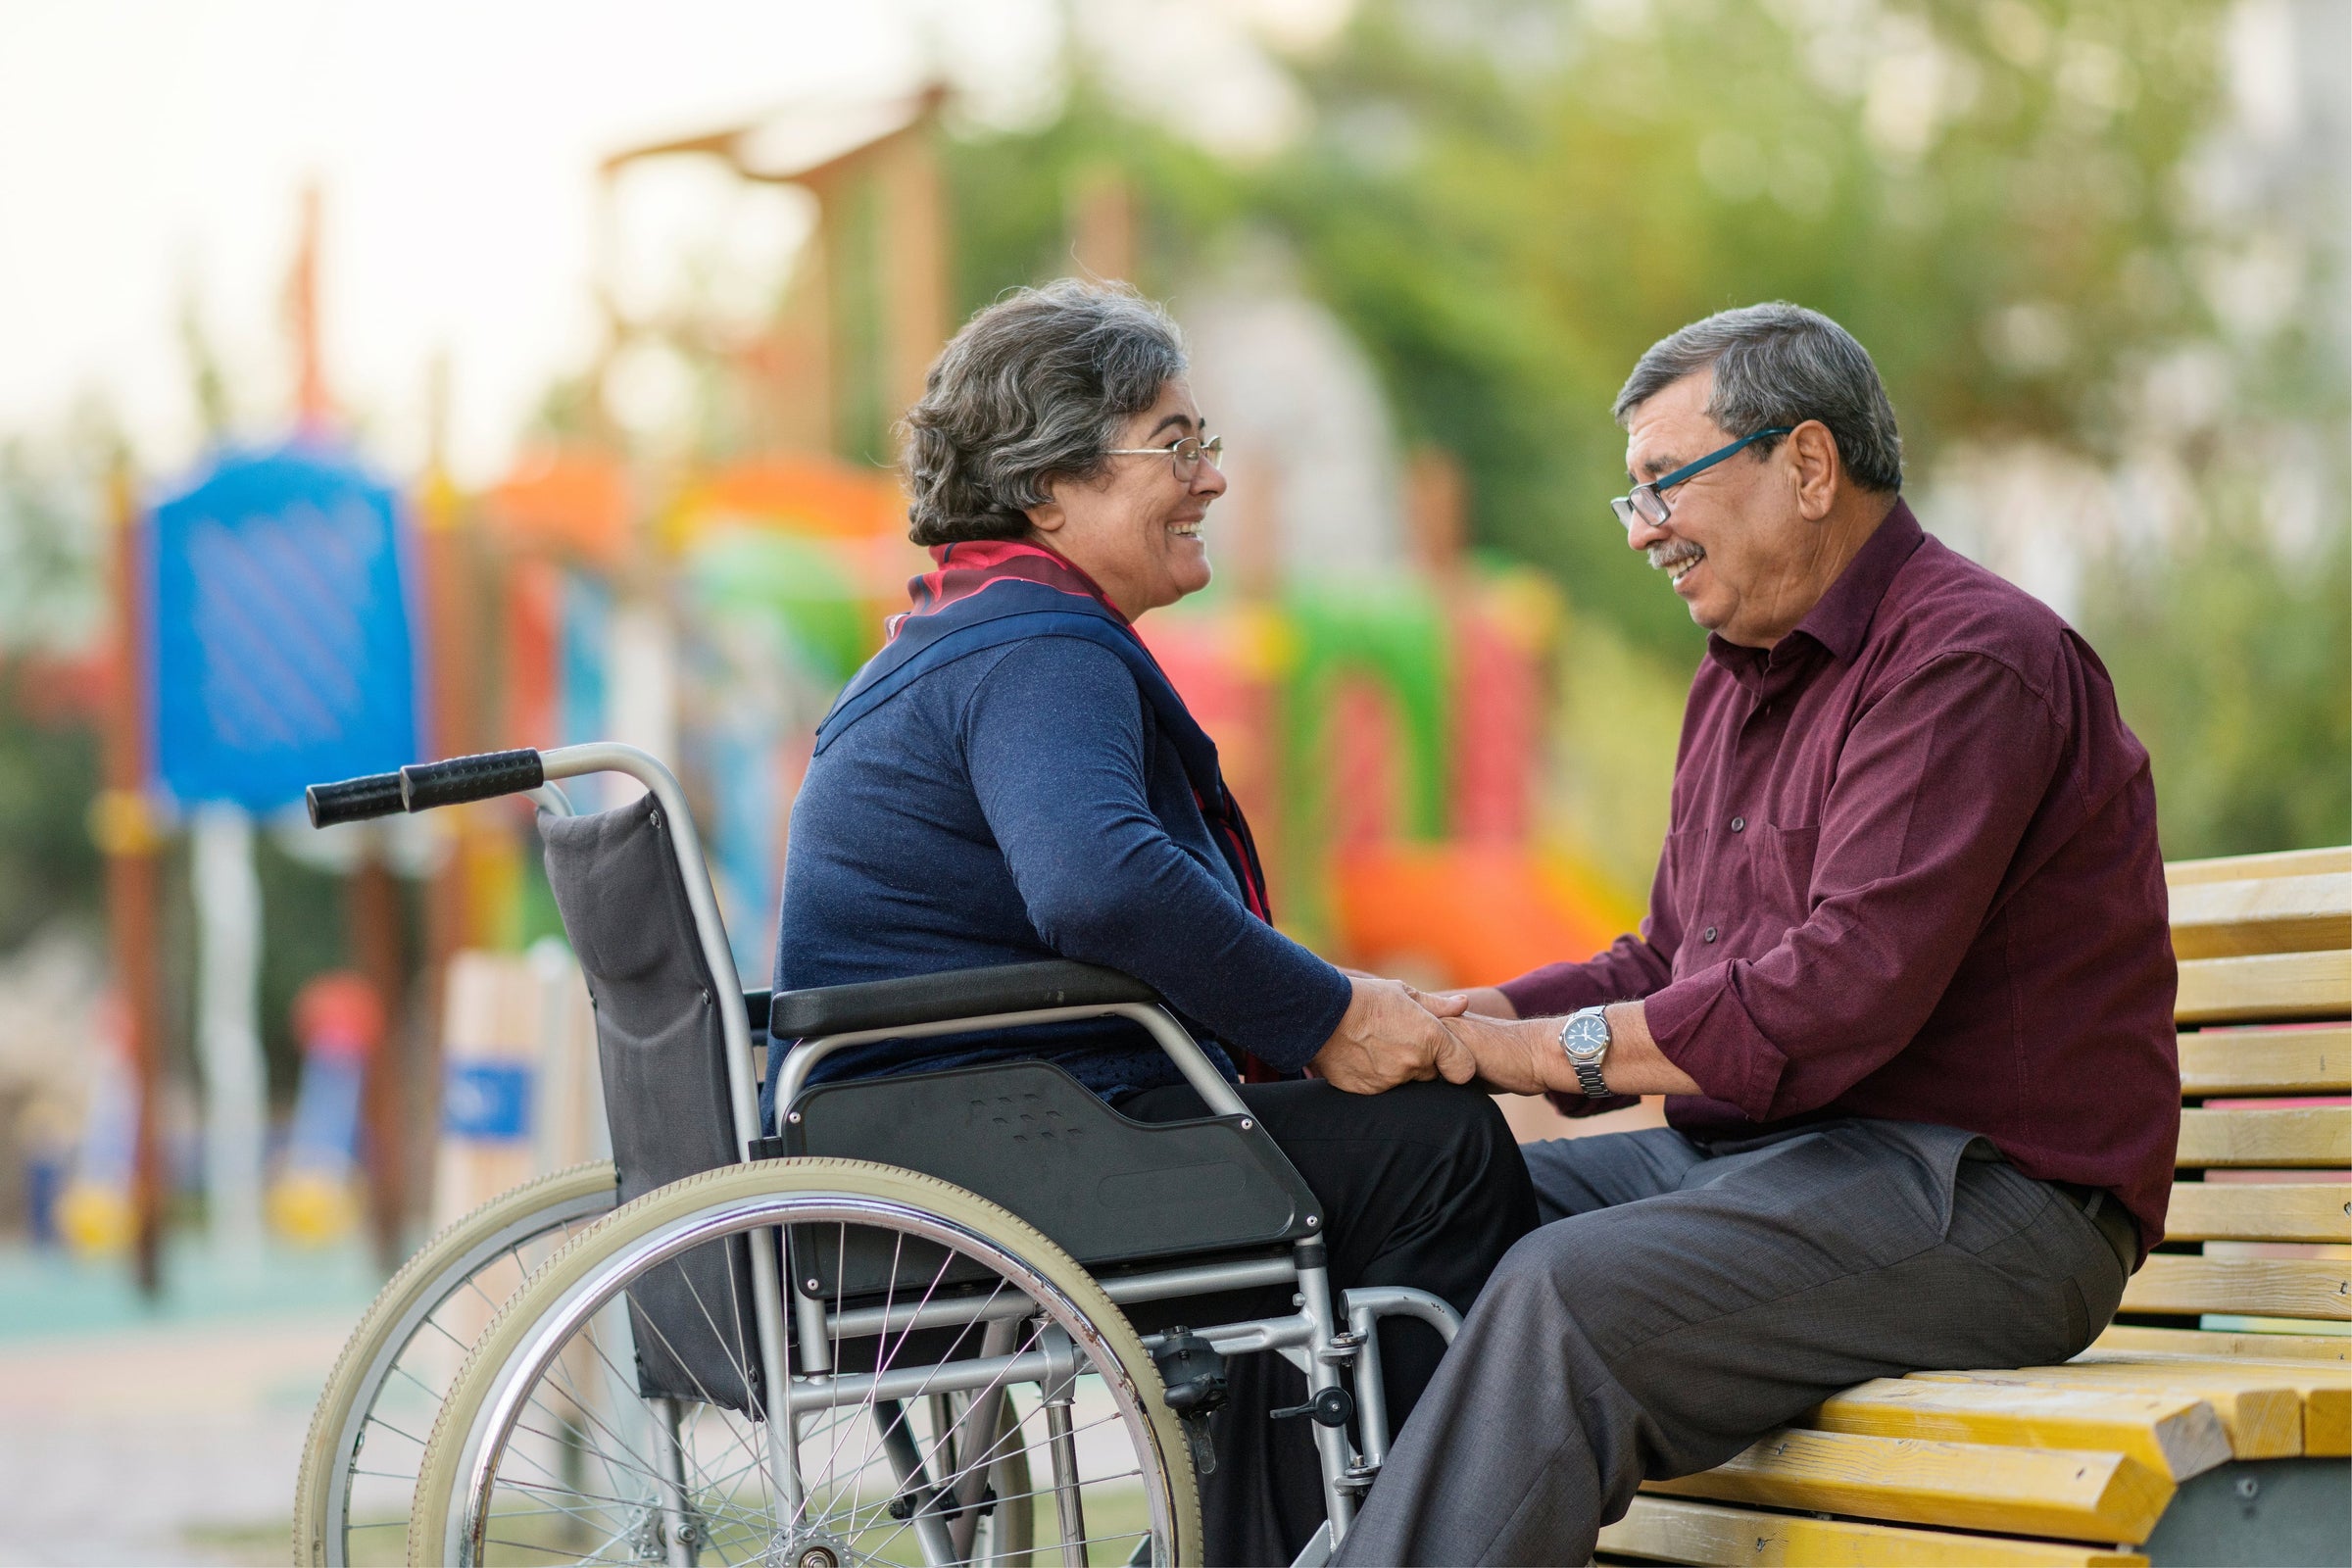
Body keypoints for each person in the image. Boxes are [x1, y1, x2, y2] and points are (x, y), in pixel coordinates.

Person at [1334, 302, 2179, 1566]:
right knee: (1421, 1216)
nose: (1647, 529)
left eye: (1665, 482)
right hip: (1775, 1164)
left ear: (1807, 465)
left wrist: (1524, 1058)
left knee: (1568, 1299)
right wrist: (1459, 1023)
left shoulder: (1971, 662)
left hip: (1990, 1200)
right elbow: (1672, 960)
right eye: (1632, 498)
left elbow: (1838, 995)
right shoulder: (1741, 671)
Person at [767, 278, 1538, 1566]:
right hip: (997, 1153)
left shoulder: (953, 638)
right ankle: (1414, 1538)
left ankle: (1276, 1534)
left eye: (1206, 446)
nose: (1212, 481)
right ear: (1048, 488)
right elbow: (1103, 883)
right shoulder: (1039, 649)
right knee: (1438, 1151)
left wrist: (1318, 1013)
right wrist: (1331, 1017)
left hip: (933, 1139)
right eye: (1176, 447)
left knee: (1314, 1151)